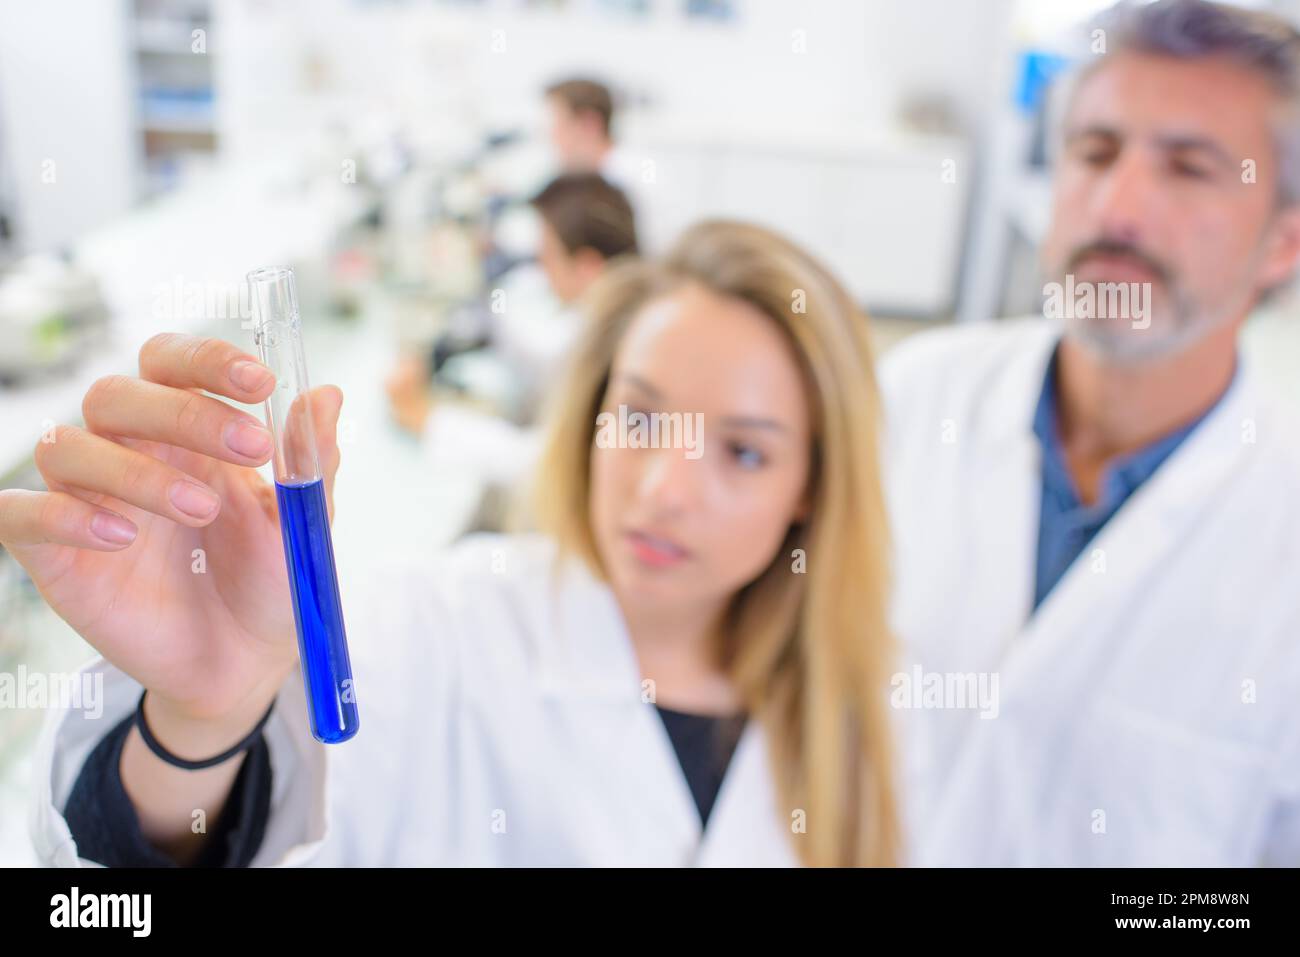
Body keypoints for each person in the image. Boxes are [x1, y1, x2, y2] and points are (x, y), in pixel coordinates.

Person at [9, 221, 899, 867]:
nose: (665, 486)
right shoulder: (427, 631)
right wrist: (201, 725)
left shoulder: (884, 714)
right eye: (639, 416)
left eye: (743, 451)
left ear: (815, 486)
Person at [881, 0, 1300, 865]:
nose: (1117, 208)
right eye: (1095, 152)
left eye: (1189, 169)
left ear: (1284, 243)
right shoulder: (910, 400)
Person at [385, 173, 638, 494]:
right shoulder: (613, 317)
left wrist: (424, 418)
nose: (541, 267)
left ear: (587, 267)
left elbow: (551, 466)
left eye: (547, 253)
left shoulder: (620, 354)